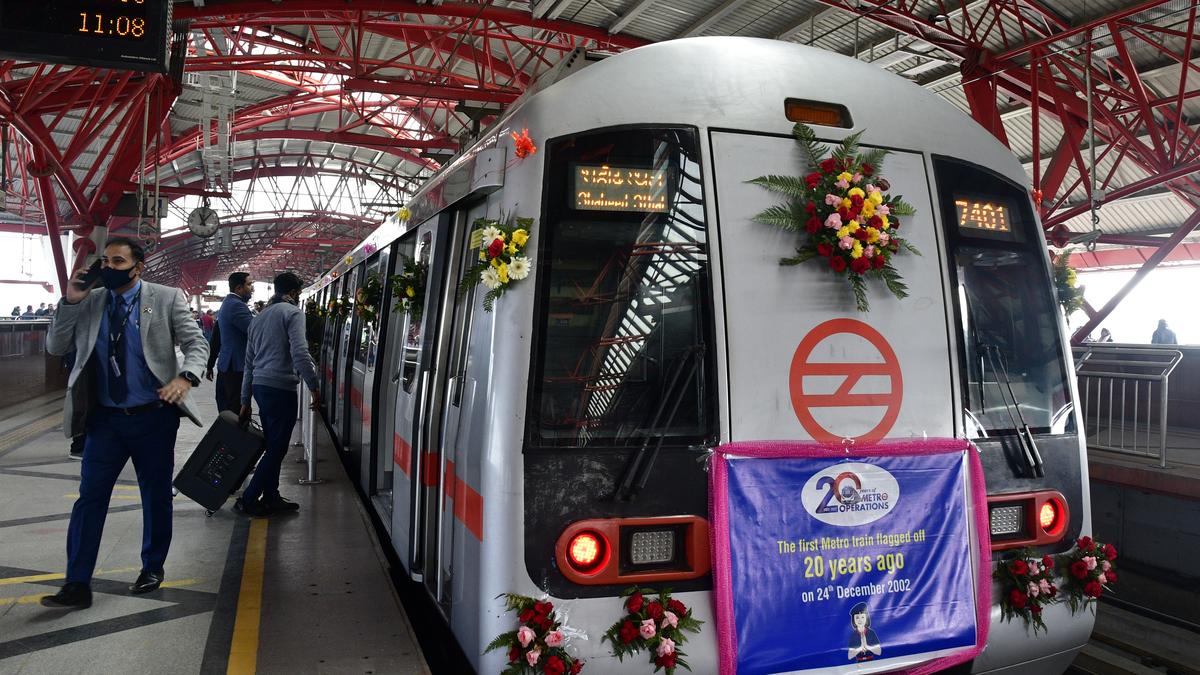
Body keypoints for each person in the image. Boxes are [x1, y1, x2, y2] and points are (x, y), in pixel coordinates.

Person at [40, 237, 208, 610]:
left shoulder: (166, 298)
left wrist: (185, 378)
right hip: (105, 422)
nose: (110, 268)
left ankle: (152, 566)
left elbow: (197, 344)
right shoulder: (91, 302)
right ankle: (77, 583)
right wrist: (70, 301)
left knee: (155, 494)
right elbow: (55, 346)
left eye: (118, 261)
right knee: (90, 499)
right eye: (106, 261)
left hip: (154, 418)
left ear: (138, 266)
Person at [236, 272, 319, 517]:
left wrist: (245, 400)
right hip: (281, 388)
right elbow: (300, 353)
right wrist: (313, 385)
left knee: (273, 445)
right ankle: (249, 498)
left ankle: (271, 496)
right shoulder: (293, 313)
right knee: (277, 449)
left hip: (261, 388)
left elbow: (248, 364)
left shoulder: (258, 318)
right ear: (293, 293)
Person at [215, 272, 254, 414]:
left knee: (228, 406)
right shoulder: (236, 305)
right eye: (249, 284)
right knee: (236, 408)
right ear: (239, 288)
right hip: (236, 364)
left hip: (228, 363)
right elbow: (254, 330)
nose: (252, 289)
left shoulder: (228, 303)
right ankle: (235, 436)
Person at [204, 319, 223, 410]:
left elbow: (214, 344)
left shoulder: (220, 320)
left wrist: (210, 366)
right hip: (233, 369)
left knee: (223, 401)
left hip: (225, 367)